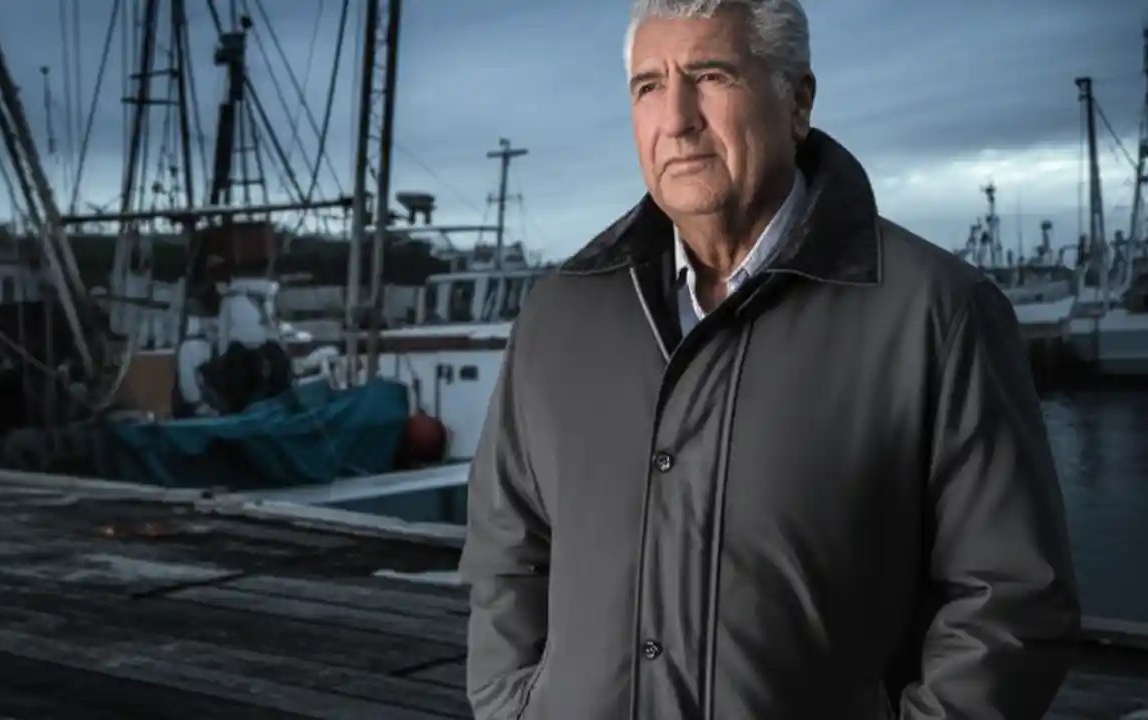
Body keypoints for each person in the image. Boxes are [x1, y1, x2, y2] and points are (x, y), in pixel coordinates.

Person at [459, 0, 1082, 718]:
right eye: (648, 86)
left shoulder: (938, 313)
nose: (677, 117)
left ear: (798, 101)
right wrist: (514, 708)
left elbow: (1010, 601)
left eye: (710, 75)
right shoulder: (558, 316)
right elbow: (506, 555)